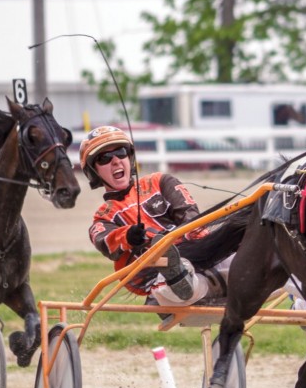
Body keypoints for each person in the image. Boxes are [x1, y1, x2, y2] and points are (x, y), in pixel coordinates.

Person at [80, 126, 227, 308]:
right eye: (105, 158)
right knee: (174, 269)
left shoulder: (160, 182)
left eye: (121, 152)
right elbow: (105, 242)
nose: (116, 161)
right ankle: (176, 279)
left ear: (130, 157)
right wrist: (128, 236)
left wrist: (200, 242)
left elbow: (190, 216)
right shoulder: (102, 218)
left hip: (199, 252)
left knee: (234, 247)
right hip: (153, 273)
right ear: (93, 171)